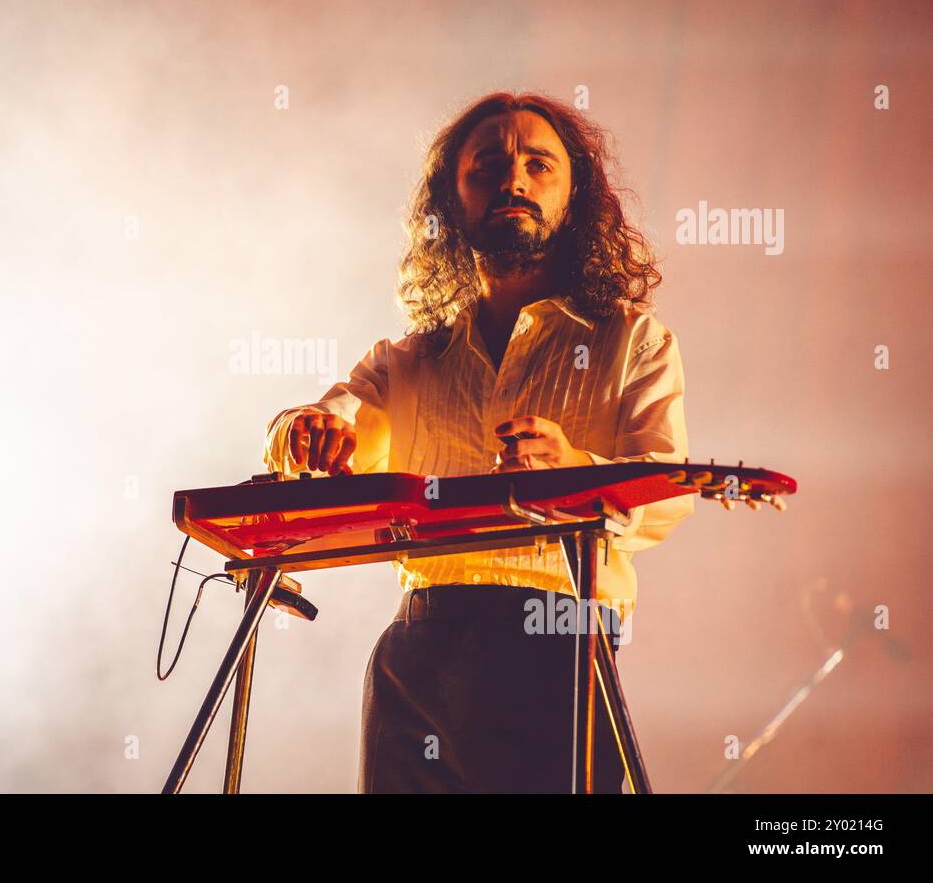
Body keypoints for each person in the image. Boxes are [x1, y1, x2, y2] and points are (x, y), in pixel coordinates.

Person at [262, 92, 697, 793]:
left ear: (574, 194)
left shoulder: (631, 340)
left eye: (538, 165)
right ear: (452, 197)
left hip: (556, 640)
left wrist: (573, 472)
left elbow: (668, 494)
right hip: (420, 646)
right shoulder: (411, 358)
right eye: (488, 165)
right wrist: (302, 433)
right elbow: (325, 422)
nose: (514, 180)